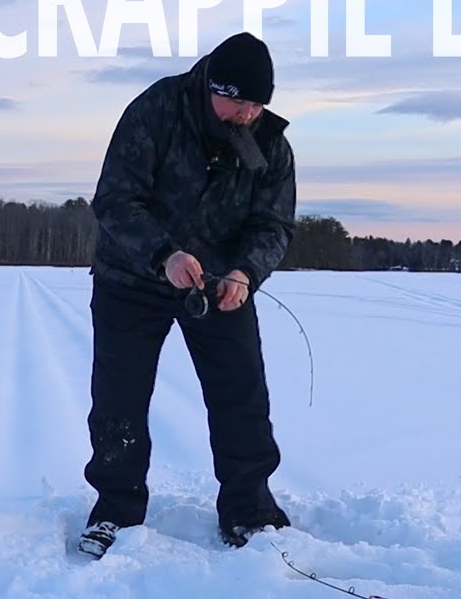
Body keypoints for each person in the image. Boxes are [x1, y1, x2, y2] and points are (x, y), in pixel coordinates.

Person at [78, 32, 297, 558]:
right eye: (237, 100)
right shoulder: (156, 111)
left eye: (256, 104)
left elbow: (274, 224)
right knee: (119, 402)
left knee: (242, 396)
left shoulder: (270, 143)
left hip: (220, 284)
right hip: (132, 278)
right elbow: (114, 200)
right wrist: (165, 255)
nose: (247, 113)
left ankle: (249, 510)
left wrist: (247, 272)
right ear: (211, 88)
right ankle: (115, 511)